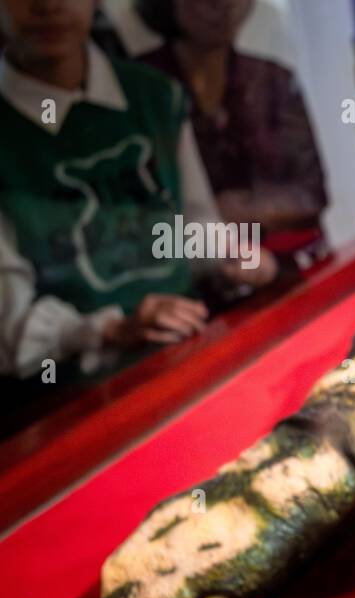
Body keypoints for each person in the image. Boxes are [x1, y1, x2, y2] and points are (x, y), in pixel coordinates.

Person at [0, 0, 273, 381]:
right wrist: (113, 329)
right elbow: (8, 327)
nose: (48, 6)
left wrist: (234, 257)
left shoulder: (155, 96)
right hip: (67, 399)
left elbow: (194, 230)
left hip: (190, 357)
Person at [135, 0, 329, 276]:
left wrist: (239, 210)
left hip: (286, 267)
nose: (223, 5)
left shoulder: (274, 79)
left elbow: (312, 193)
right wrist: (208, 224)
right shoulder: (141, 90)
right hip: (183, 283)